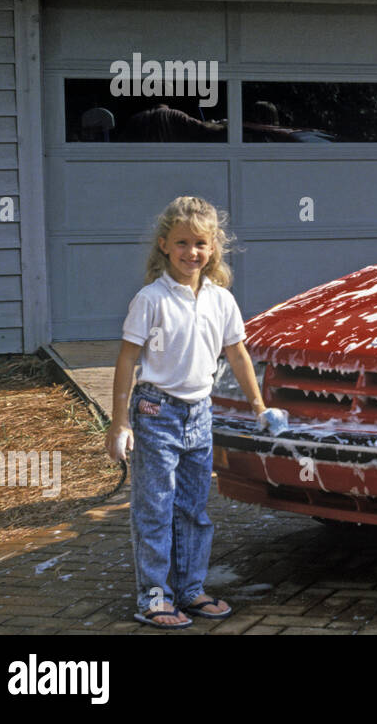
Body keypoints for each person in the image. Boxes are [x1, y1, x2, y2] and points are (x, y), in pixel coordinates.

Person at [105, 196, 269, 628]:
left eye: (200, 243)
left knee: (194, 508)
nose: (190, 252)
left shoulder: (221, 300)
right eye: (181, 242)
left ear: (213, 248)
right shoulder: (151, 299)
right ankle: (154, 595)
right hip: (156, 412)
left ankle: (190, 589)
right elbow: (126, 360)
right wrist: (119, 421)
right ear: (163, 245)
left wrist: (258, 406)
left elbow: (237, 355)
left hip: (200, 414)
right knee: (155, 507)